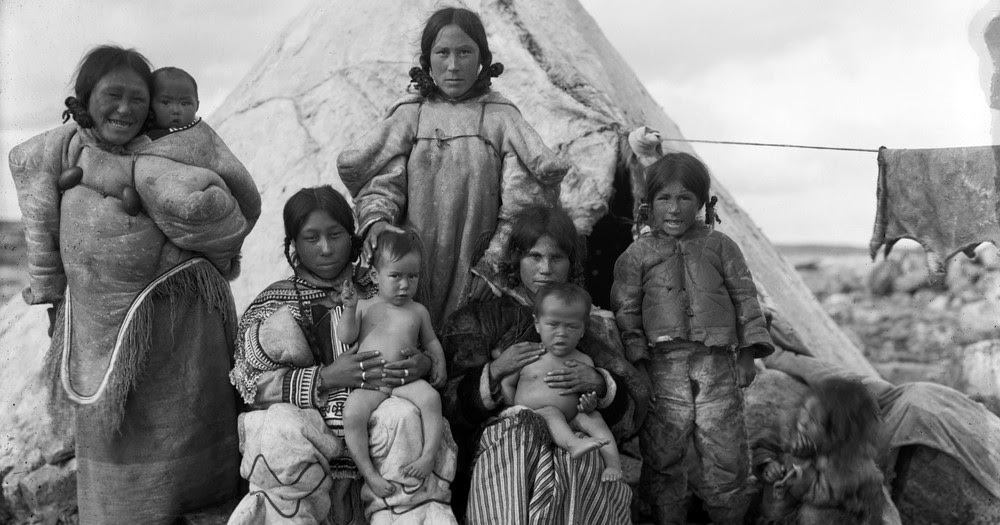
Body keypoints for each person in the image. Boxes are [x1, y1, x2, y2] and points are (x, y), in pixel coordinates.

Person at [8, 45, 260, 524]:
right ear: (85, 97)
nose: (125, 109)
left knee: (191, 442)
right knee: (115, 449)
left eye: (138, 99)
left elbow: (233, 212)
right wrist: (50, 300)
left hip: (181, 326)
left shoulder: (174, 152)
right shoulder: (61, 151)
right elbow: (41, 225)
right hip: (94, 326)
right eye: (112, 95)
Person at [228, 186, 457, 525]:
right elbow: (248, 383)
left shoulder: (384, 287)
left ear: (351, 238)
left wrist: (420, 363)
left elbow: (423, 341)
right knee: (276, 425)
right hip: (312, 433)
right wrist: (324, 377)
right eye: (311, 238)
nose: (325, 248)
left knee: (405, 415)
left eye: (335, 235)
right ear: (293, 244)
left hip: (381, 424)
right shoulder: (272, 302)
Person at [338, 6, 569, 328]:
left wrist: (492, 267)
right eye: (442, 52)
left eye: (464, 52)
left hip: (476, 267)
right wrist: (377, 222)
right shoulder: (410, 117)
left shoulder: (502, 119)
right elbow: (382, 186)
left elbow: (522, 205)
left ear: (482, 60)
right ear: (426, 60)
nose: (453, 65)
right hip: (410, 264)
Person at [441, 205, 649, 524]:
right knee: (520, 431)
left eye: (557, 258)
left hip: (573, 449)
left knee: (583, 451)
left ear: (571, 263)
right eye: (534, 257)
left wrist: (599, 384)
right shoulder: (479, 319)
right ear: (516, 260)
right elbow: (448, 409)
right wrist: (494, 373)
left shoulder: (592, 326)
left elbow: (632, 416)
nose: (545, 269)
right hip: (503, 453)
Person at [611, 152, 774, 525]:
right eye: (664, 198)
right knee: (663, 457)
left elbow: (746, 299)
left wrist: (748, 355)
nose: (674, 209)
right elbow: (626, 312)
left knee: (727, 455)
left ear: (702, 203)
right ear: (648, 204)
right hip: (662, 368)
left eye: (685, 198)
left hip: (715, 366)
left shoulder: (721, 247)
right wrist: (639, 364)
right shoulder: (636, 255)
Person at [338, 230, 449, 498]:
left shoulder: (417, 311)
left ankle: (427, 457)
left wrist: (439, 365)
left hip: (404, 382)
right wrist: (350, 310)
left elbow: (432, 342)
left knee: (431, 399)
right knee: (352, 413)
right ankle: (369, 473)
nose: (405, 285)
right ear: (375, 276)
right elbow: (346, 337)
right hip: (370, 384)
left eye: (413, 277)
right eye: (396, 276)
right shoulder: (365, 306)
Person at [500, 282, 623, 481]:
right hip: (534, 416)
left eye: (572, 326)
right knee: (551, 412)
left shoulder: (584, 361)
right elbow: (507, 382)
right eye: (553, 324)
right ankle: (573, 444)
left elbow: (586, 394)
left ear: (583, 330)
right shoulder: (530, 354)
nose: (561, 333)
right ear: (537, 324)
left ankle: (613, 465)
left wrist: (589, 404)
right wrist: (511, 408)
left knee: (595, 420)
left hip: (573, 418)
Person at [753, 377, 884, 524]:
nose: (802, 421)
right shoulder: (792, 426)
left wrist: (799, 460)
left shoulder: (852, 463)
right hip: (794, 500)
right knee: (771, 491)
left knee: (811, 514)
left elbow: (820, 495)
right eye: (804, 409)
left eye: (814, 421)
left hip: (838, 511)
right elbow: (766, 445)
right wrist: (768, 464)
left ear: (837, 435)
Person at [147, 66, 200, 139]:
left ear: (197, 106)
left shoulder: (204, 131)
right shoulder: (143, 139)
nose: (176, 110)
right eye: (166, 102)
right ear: (149, 105)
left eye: (184, 104)